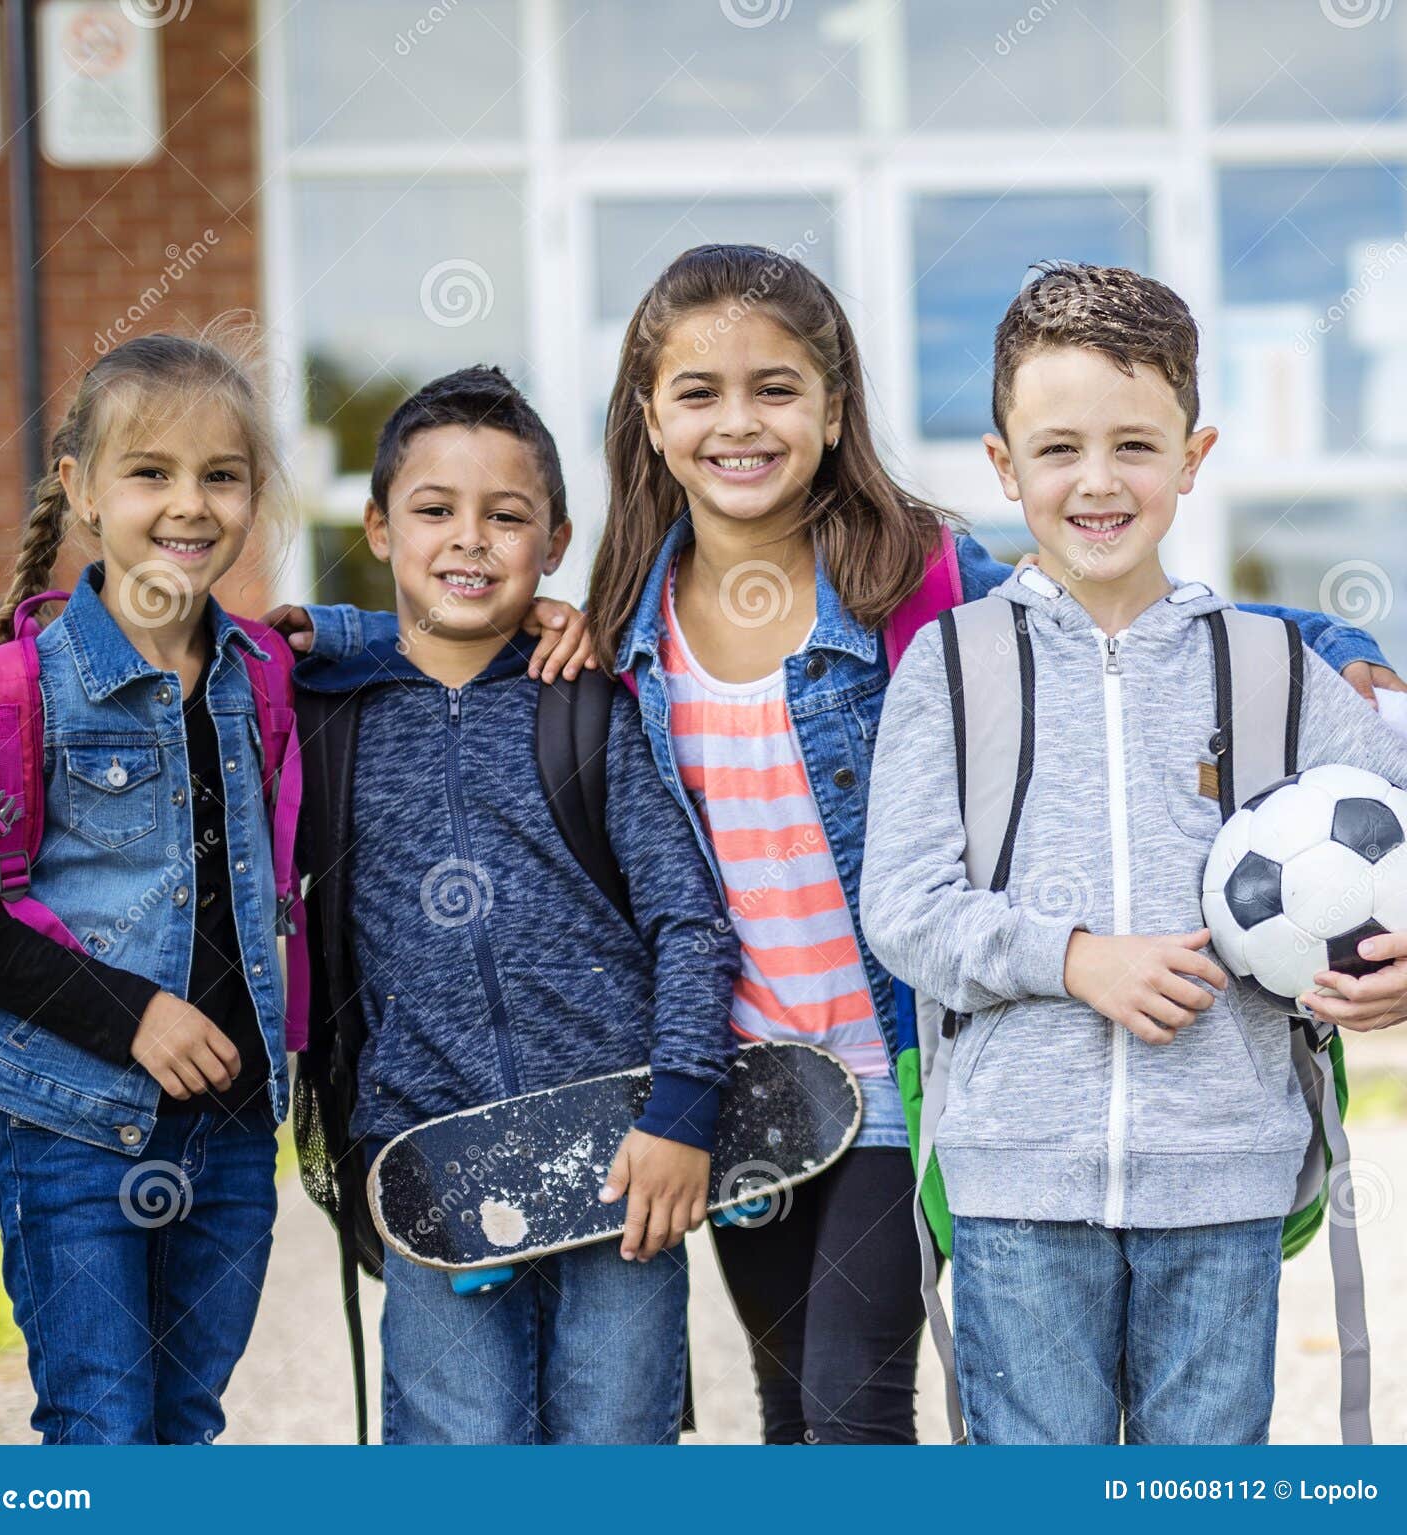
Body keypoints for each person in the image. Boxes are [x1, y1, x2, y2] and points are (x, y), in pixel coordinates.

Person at [578, 243, 1403, 1444]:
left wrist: (1338, 643)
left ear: (834, 409)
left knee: (862, 1401)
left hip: (912, 1074)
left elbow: (1163, 621)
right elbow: (880, 895)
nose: (740, 421)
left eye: (776, 388)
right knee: (795, 1400)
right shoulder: (629, 631)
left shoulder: (919, 586)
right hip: (784, 1076)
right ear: (649, 419)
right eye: (699, 392)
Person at [858, 263, 1407, 1444]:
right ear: (1003, 465)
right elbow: (901, 907)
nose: (1097, 480)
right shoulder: (952, 668)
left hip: (1225, 1177)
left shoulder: (1274, 671)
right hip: (1015, 1180)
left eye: (1135, 446)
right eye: (1058, 448)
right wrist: (1072, 958)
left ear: (1193, 456)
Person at [288, 365, 739, 1444]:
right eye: (434, 510)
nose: (469, 539)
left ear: (556, 542)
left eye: (505, 516)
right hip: (430, 1160)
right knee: (459, 1453)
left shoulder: (589, 707)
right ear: (378, 528)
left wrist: (680, 1109)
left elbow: (689, 920)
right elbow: (237, 643)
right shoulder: (329, 717)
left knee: (616, 1446)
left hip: (619, 1160)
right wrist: (343, 631)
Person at [0, 326, 296, 1444]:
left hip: (229, 1138)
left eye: (222, 475)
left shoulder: (266, 673)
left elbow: (413, 641)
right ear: (80, 489)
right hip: (69, 1128)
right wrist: (133, 1017)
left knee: (184, 1422)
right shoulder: (14, 691)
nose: (190, 504)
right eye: (151, 472)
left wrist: (542, 614)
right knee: (100, 1427)